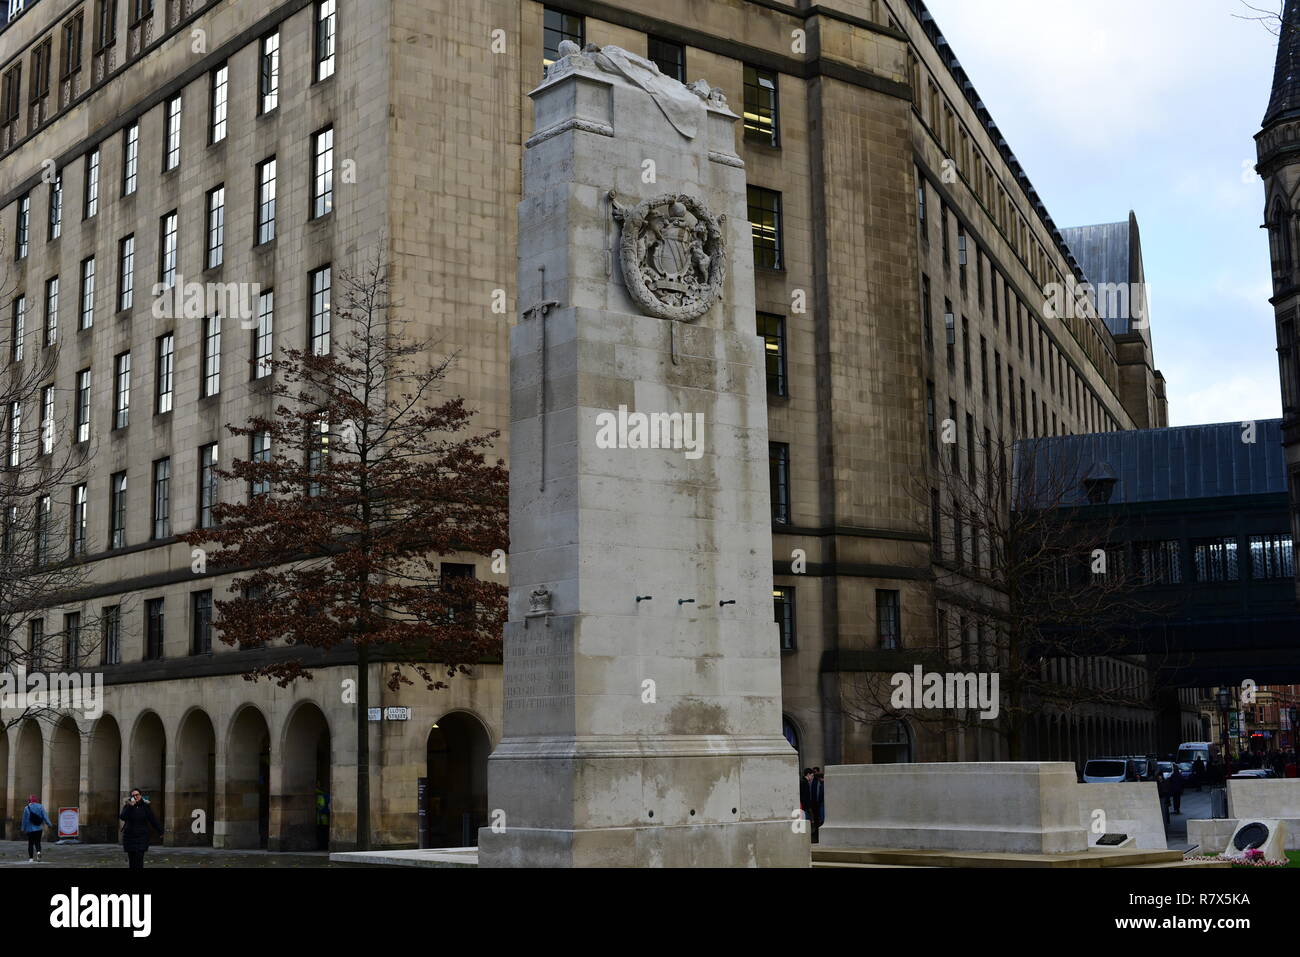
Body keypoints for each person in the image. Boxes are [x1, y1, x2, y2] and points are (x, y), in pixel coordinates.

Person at [119, 788, 163, 869]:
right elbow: (122, 817)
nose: (135, 797)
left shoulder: (145, 806)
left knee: (139, 858)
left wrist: (160, 831)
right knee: (132, 860)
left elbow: (153, 819)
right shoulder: (127, 806)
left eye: (137, 795)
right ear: (131, 797)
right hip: (130, 837)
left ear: (140, 795)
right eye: (133, 795)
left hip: (142, 836)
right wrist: (130, 806)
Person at [20, 796, 53, 863]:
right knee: (38, 842)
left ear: (29, 801)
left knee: (30, 843)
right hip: (39, 828)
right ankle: (38, 852)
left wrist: (23, 828)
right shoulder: (40, 806)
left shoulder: (26, 808)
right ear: (36, 801)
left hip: (30, 829)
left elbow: (24, 819)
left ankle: (31, 858)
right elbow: (45, 816)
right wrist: (49, 824)